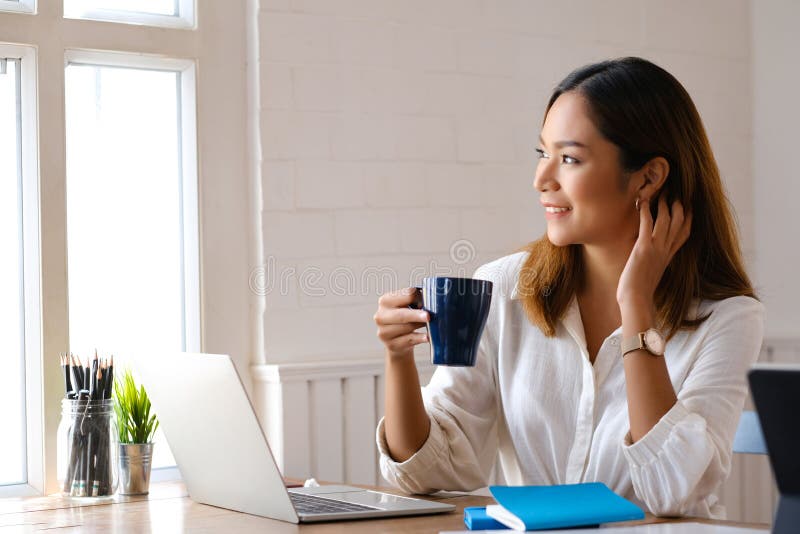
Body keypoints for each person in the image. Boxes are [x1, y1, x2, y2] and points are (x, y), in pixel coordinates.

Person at [372, 57, 763, 519]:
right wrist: (398, 360)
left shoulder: (727, 318)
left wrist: (636, 304)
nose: (542, 180)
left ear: (648, 176)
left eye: (570, 159)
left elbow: (671, 493)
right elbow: (428, 473)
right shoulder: (502, 289)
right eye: (543, 154)